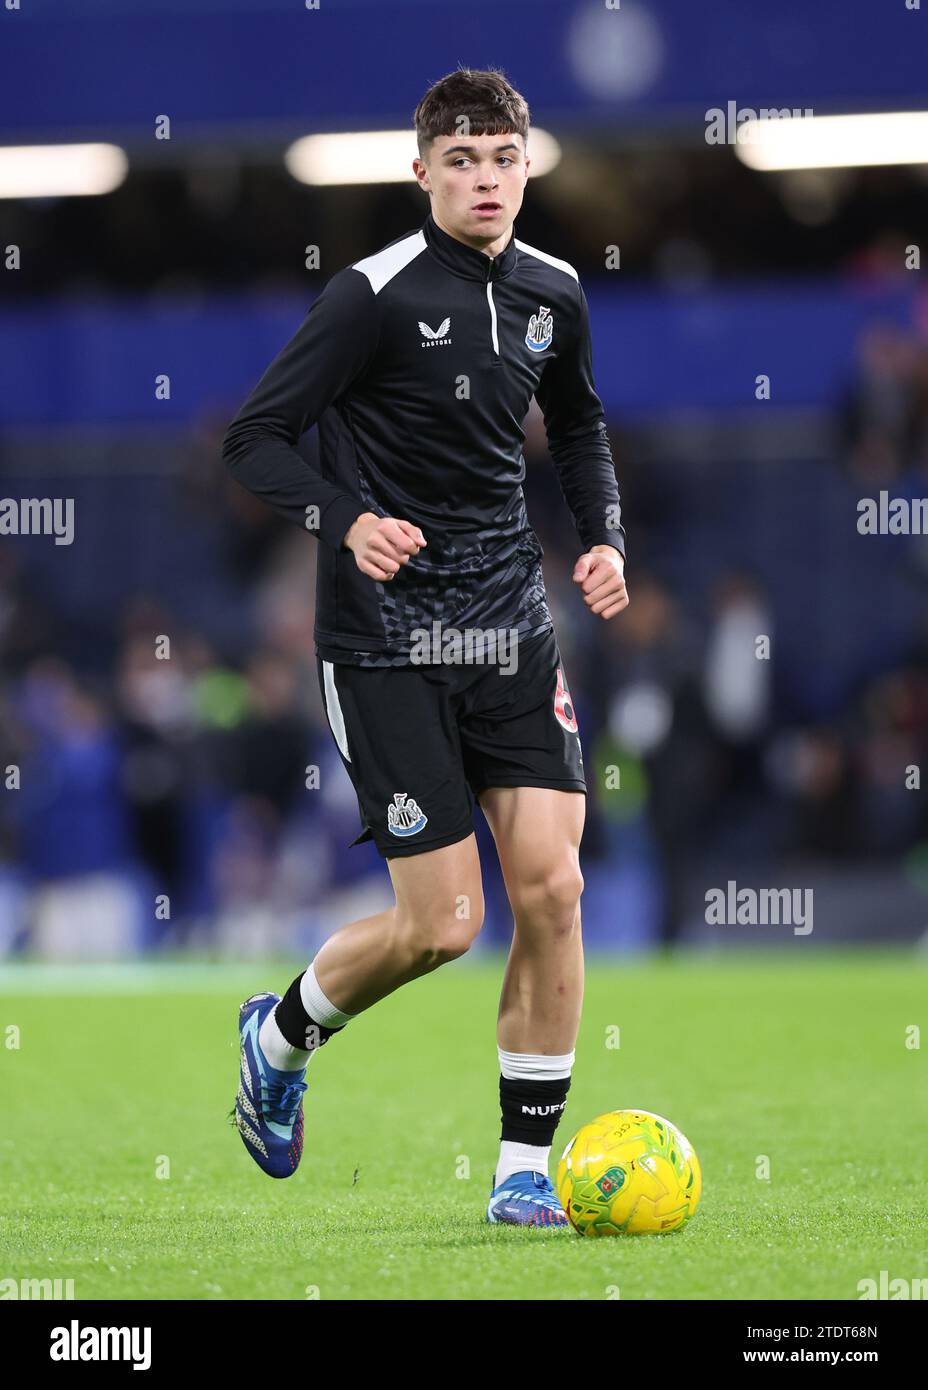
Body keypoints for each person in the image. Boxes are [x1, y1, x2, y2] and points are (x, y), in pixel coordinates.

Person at [221, 66, 628, 1225]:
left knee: (552, 887)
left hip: (513, 631)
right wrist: (346, 519)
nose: (486, 179)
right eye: (461, 161)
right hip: (386, 642)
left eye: (503, 159)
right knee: (442, 927)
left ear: (525, 164)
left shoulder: (554, 293)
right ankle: (281, 1032)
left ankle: (521, 1175)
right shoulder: (370, 294)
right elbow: (254, 440)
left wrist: (602, 537)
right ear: (421, 174)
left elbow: (583, 419)